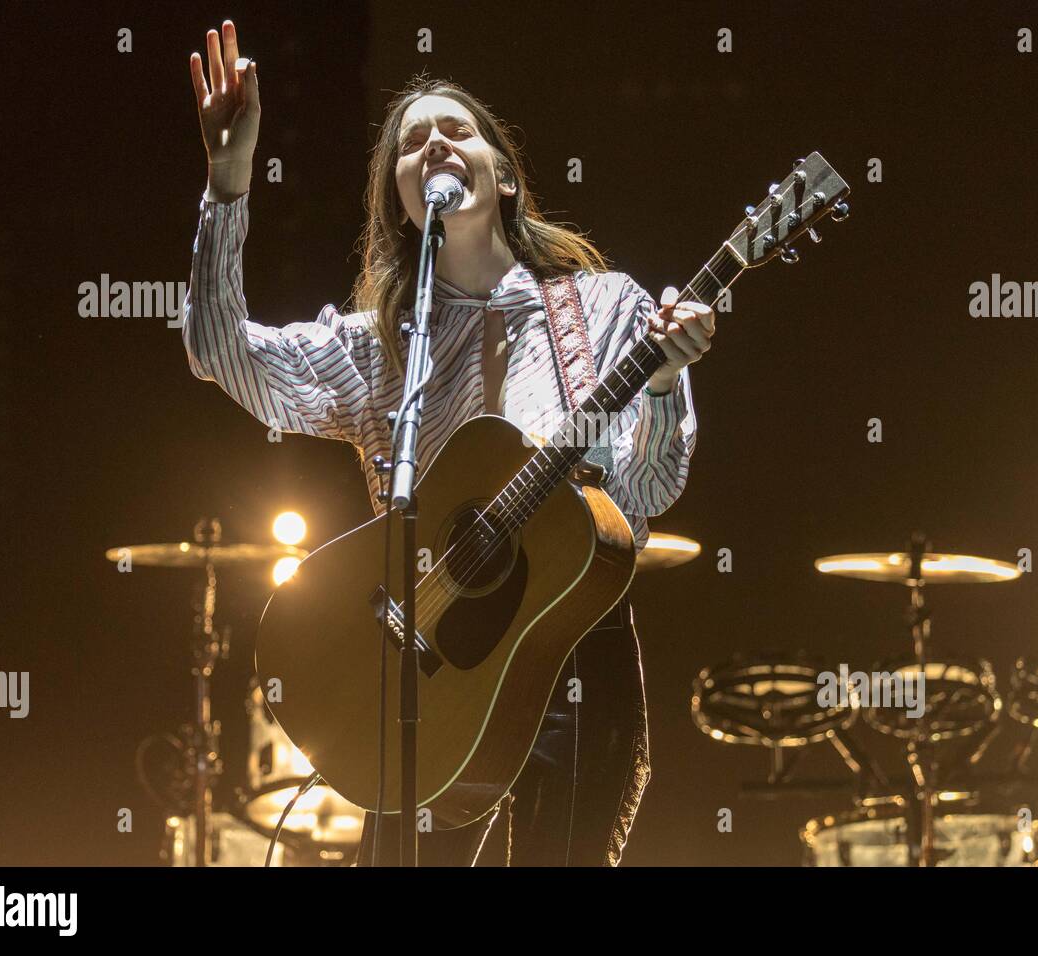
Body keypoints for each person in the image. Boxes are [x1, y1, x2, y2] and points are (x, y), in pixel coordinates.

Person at [184, 20, 715, 866]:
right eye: (411, 142)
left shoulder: (610, 309)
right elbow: (223, 353)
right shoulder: (377, 347)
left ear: (502, 176)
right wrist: (230, 181)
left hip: (571, 657)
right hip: (425, 675)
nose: (433, 144)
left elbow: (645, 496)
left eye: (455, 129)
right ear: (398, 194)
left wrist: (656, 383)